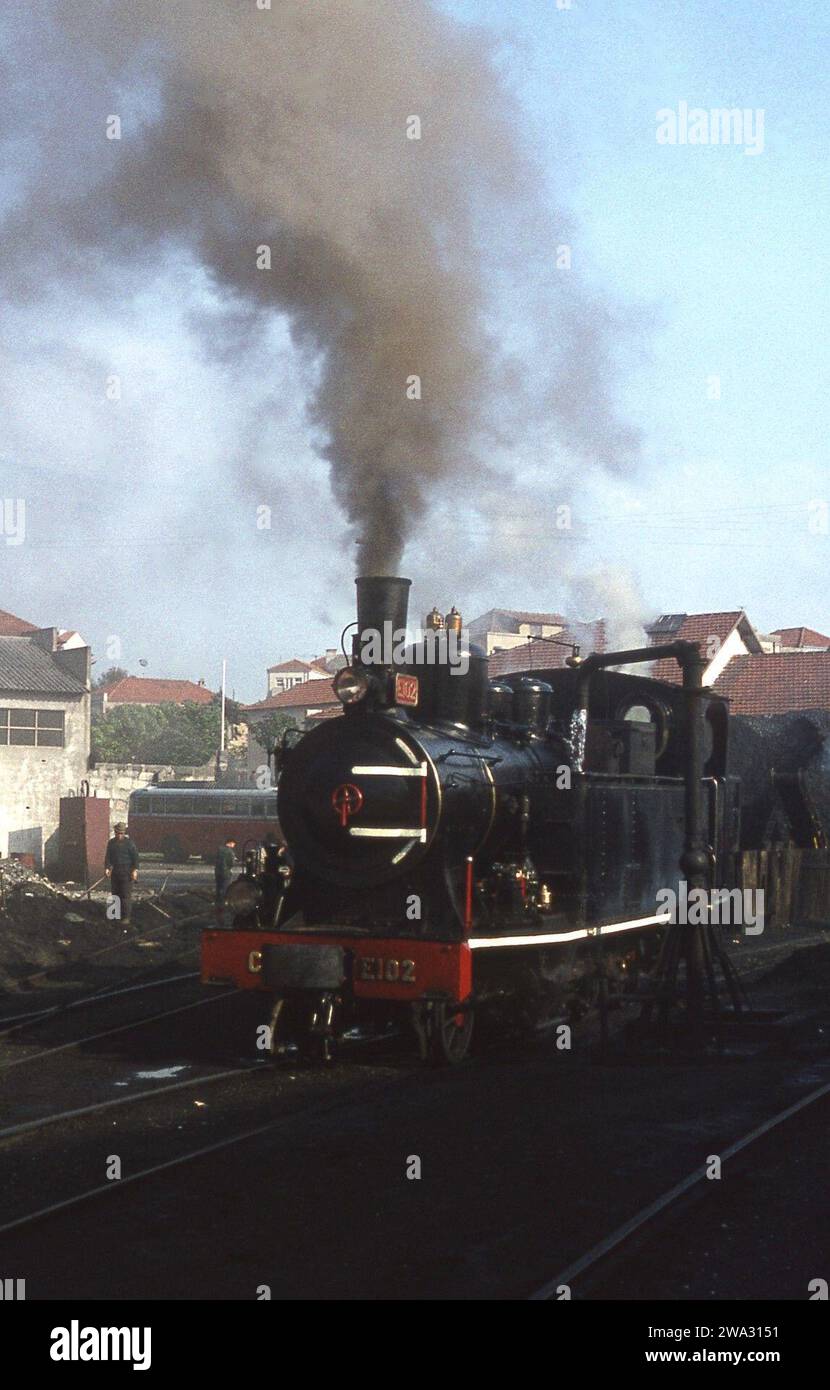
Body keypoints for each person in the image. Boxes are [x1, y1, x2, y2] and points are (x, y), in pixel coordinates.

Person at [105, 821, 140, 925]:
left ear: (124, 833)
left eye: (121, 833)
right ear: (115, 832)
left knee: (125, 896)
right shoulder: (111, 843)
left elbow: (136, 859)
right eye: (117, 833)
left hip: (127, 873)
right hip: (115, 872)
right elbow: (108, 857)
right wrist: (107, 868)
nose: (119, 835)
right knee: (115, 895)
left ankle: (125, 918)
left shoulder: (130, 844)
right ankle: (114, 916)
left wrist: (135, 870)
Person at [214, 835, 237, 918]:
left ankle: (217, 903)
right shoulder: (230, 852)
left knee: (218, 887)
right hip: (226, 872)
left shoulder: (219, 850)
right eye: (234, 844)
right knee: (225, 888)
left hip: (218, 872)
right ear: (231, 843)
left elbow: (216, 860)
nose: (234, 846)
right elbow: (232, 863)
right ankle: (223, 904)